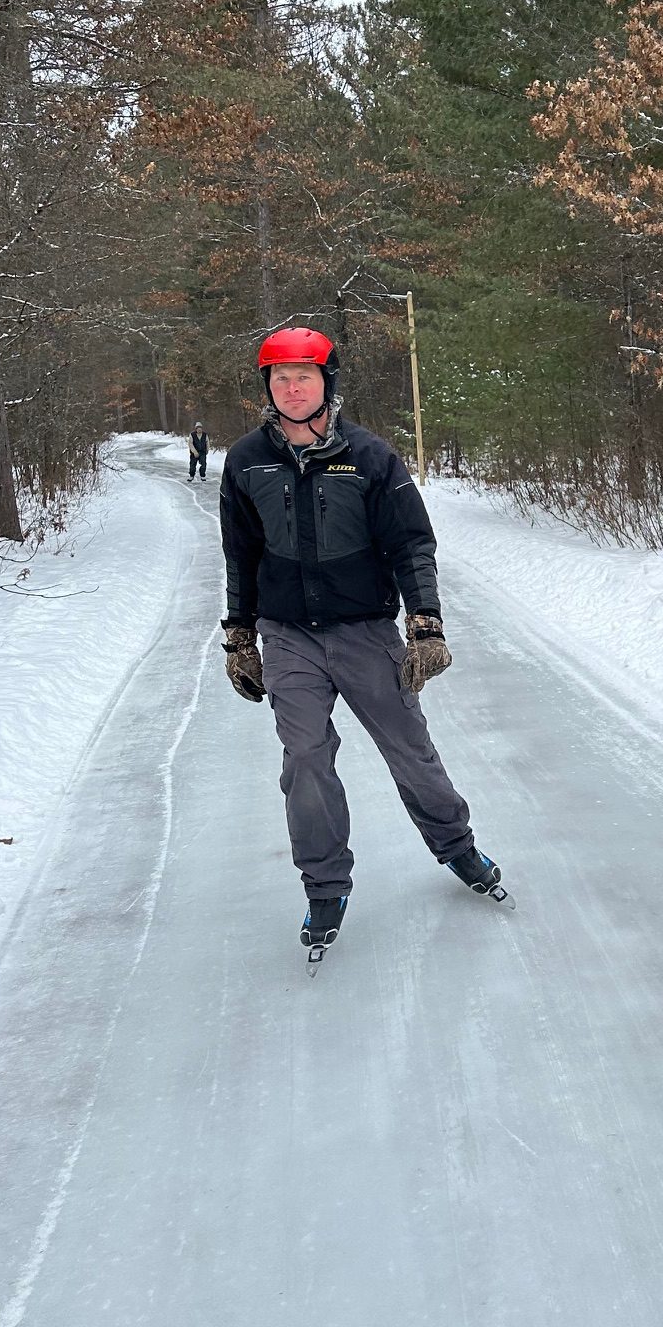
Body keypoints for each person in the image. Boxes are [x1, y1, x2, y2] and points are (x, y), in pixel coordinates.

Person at [217, 326, 503, 958]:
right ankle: (324, 885)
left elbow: (411, 544)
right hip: (288, 636)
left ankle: (455, 846)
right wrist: (240, 635)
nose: (292, 389)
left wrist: (424, 621)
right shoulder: (245, 461)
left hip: (365, 632)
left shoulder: (370, 457)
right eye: (280, 378)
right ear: (267, 387)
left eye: (305, 377)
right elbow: (240, 553)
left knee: (409, 749)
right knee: (305, 758)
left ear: (327, 383)